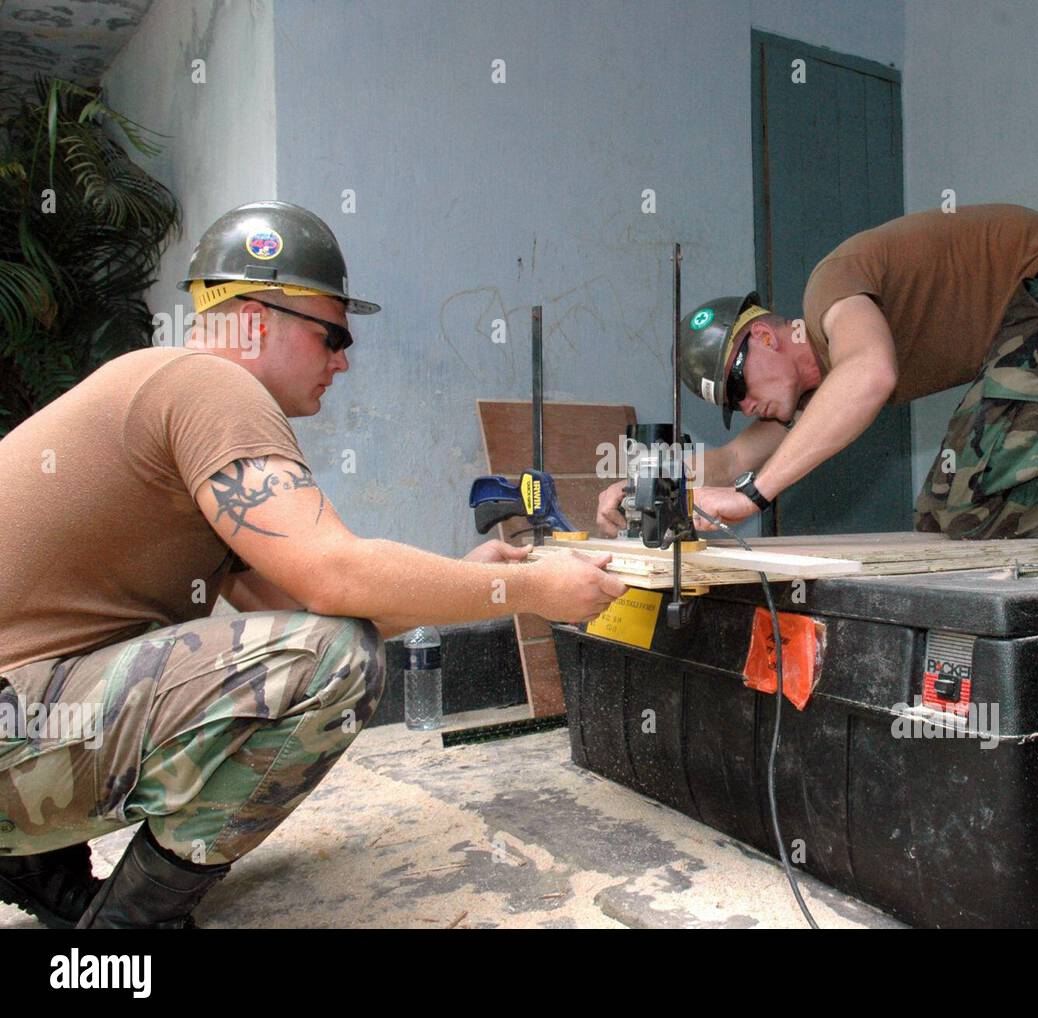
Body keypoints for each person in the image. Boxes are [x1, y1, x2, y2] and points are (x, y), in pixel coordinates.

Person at [0, 201, 625, 929]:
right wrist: (533, 588)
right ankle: (129, 930)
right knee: (339, 663)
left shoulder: (160, 390)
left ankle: (37, 862)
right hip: (21, 721)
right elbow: (334, 598)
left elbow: (319, 605)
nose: (342, 360)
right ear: (258, 318)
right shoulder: (210, 385)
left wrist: (479, 575)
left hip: (27, 717)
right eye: (332, 336)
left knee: (328, 645)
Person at [596, 204, 1038, 574]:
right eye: (732, 404)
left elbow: (873, 375)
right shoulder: (823, 380)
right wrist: (648, 488)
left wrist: (751, 500)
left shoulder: (831, 293)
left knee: (965, 498)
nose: (744, 407)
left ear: (766, 338)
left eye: (739, 385)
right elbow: (736, 457)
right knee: (955, 517)